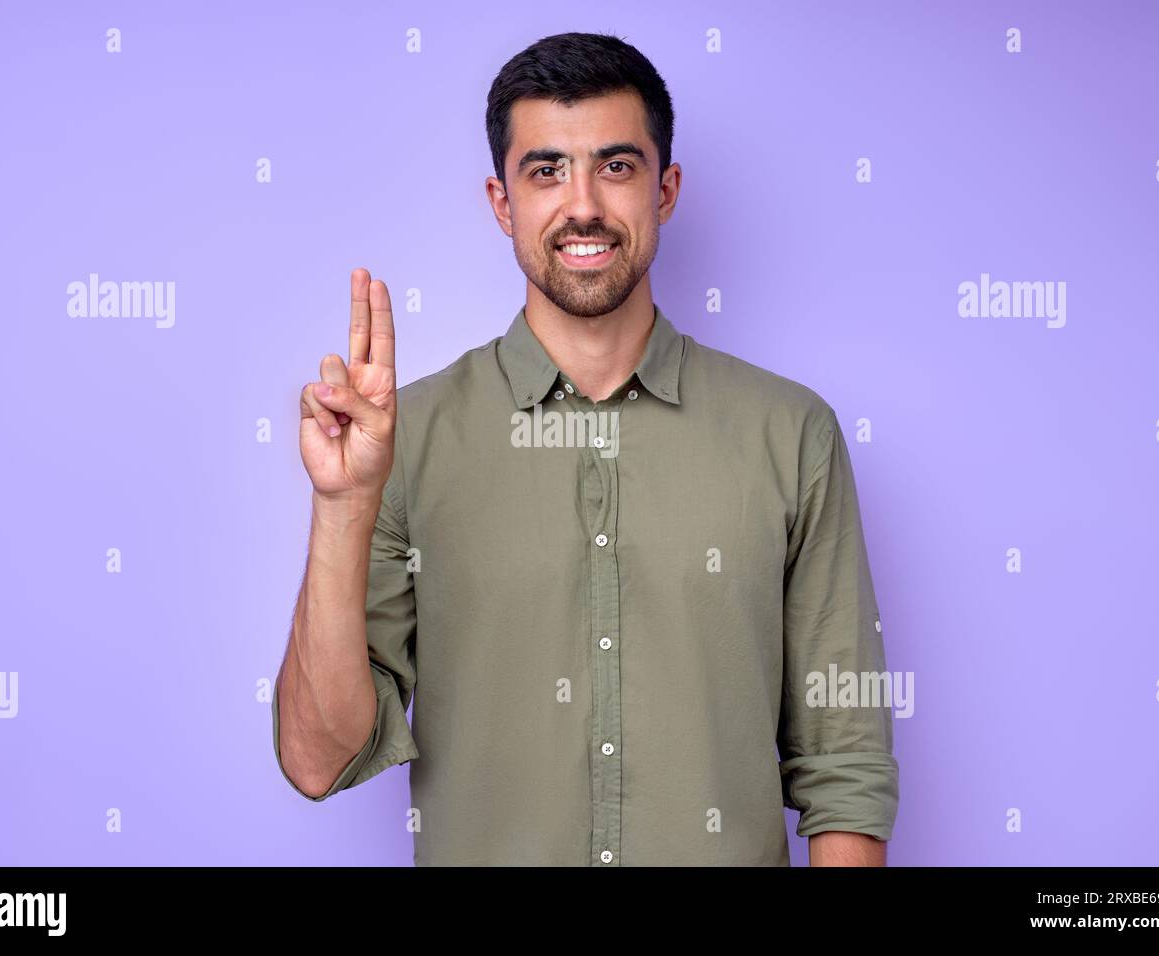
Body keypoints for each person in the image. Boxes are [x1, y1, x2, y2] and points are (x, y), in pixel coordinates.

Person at [272, 31, 898, 866]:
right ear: (502, 203)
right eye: (545, 171)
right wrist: (344, 506)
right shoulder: (405, 445)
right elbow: (318, 761)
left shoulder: (791, 435)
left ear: (665, 188)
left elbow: (844, 763)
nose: (583, 206)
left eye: (616, 165)